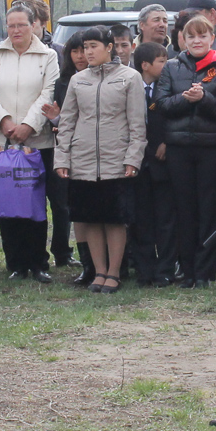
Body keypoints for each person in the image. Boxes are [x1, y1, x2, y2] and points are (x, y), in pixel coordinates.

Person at [55, 26, 146, 294]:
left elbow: (137, 123)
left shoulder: (129, 77)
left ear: (109, 47)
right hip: (82, 159)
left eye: (93, 46)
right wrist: (62, 158)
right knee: (91, 217)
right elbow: (68, 121)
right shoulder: (78, 80)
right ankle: (99, 271)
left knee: (114, 218)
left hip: (116, 159)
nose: (87, 52)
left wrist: (133, 157)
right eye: (85, 47)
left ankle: (115, 272)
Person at [0, 2, 59, 283]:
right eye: (11, 26)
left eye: (21, 25)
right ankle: (15, 262)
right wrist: (6, 123)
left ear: (34, 25)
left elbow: (49, 92)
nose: (15, 31)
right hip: (0, 141)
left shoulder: (47, 56)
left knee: (34, 202)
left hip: (37, 142)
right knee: (8, 201)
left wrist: (28, 126)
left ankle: (38, 262)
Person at [156, 15, 216, 286]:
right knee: (184, 209)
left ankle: (205, 272)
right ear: (183, 40)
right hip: (179, 149)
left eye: (202, 36)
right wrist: (185, 99)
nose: (196, 41)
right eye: (191, 37)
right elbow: (161, 104)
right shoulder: (171, 66)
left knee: (209, 210)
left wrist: (204, 99)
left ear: (212, 38)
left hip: (212, 150)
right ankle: (187, 270)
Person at [128, 42, 177, 287]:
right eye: (161, 61)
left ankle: (166, 268)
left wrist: (166, 142)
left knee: (166, 217)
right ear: (145, 65)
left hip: (163, 161)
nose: (166, 65)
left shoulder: (169, 85)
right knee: (141, 218)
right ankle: (144, 269)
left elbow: (174, 115)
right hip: (137, 162)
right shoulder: (130, 85)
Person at [46, 33, 87, 279]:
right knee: (61, 202)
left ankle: (87, 258)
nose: (81, 56)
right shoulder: (61, 82)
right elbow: (59, 115)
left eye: (85, 50)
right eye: (75, 51)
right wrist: (56, 119)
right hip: (63, 148)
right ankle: (62, 251)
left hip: (93, 150)